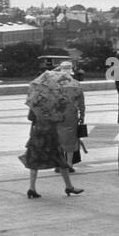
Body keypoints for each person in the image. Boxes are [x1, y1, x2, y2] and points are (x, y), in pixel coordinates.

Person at [19, 69, 83, 198]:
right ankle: (69, 186)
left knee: (34, 161)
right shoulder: (56, 102)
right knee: (61, 161)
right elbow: (60, 119)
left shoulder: (36, 102)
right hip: (50, 136)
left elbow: (30, 118)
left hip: (37, 135)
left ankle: (32, 188)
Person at [53, 61, 86, 171]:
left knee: (58, 139)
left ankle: (59, 164)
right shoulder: (76, 84)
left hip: (58, 115)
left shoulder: (55, 85)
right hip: (71, 115)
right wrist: (82, 115)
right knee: (71, 140)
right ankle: (69, 164)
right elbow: (81, 103)